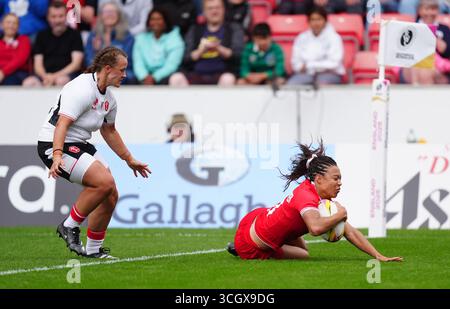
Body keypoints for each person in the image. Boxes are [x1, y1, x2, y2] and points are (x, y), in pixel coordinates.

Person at [37, 46, 151, 259]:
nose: (125, 75)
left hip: (78, 143)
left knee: (110, 194)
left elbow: (109, 130)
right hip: (53, 143)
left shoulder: (109, 98)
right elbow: (62, 124)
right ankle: (69, 226)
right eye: (122, 69)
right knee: (104, 182)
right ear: (107, 69)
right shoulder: (81, 89)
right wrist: (58, 155)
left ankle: (93, 250)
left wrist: (129, 159)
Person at [227, 141, 403, 262]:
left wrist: (378, 255)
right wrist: (340, 214)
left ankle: (263, 241)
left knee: (303, 250)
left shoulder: (317, 194)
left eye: (340, 178)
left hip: (260, 221)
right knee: (303, 255)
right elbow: (316, 229)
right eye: (336, 178)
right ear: (318, 179)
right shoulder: (307, 196)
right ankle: (239, 248)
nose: (340, 182)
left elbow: (350, 232)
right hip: (253, 245)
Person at [169, 0, 244, 86]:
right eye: (210, 8)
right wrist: (201, 50)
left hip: (222, 73)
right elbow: (185, 57)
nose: (214, 11)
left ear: (224, 9)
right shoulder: (194, 30)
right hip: (196, 74)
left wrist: (218, 48)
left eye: (217, 8)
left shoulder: (234, 28)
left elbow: (238, 54)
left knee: (228, 78)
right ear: (204, 12)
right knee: (176, 78)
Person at [22, 1, 84, 87]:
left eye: (60, 16)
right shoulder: (41, 35)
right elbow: (37, 65)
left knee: (60, 81)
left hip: (68, 76)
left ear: (66, 16)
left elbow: (76, 64)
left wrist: (54, 77)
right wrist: (46, 77)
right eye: (53, 16)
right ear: (48, 17)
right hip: (44, 76)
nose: (57, 20)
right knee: (29, 82)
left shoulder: (75, 35)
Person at [288, 6, 344, 86]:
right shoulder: (301, 38)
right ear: (308, 21)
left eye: (319, 19)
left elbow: (334, 63)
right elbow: (296, 62)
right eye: (313, 20)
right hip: (306, 74)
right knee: (291, 84)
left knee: (321, 85)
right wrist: (301, 67)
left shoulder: (334, 38)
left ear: (325, 21)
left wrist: (309, 65)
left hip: (330, 74)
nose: (316, 23)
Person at [85, 1, 136, 84]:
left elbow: (128, 61)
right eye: (106, 12)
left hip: (122, 74)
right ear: (101, 16)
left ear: (119, 15)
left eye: (112, 12)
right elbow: (89, 61)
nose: (109, 15)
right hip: (99, 74)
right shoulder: (94, 35)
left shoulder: (127, 36)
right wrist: (96, 52)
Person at [401, 0, 450, 85]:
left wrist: (430, 34)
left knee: (426, 69)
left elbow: (447, 52)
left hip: (437, 68)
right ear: (419, 11)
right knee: (419, 65)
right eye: (426, 9)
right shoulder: (411, 28)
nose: (430, 12)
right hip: (412, 67)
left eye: (433, 9)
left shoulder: (444, 29)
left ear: (438, 11)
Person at [133, 8, 185, 85]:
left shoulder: (175, 39)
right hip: (145, 77)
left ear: (165, 21)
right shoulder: (141, 38)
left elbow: (172, 64)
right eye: (152, 19)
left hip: (166, 76)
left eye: (159, 19)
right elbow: (138, 62)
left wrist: (155, 77)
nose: (155, 22)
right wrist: (144, 76)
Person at [237, 22, 285, 86]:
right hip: (252, 79)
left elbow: (279, 70)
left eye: (265, 38)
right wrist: (248, 76)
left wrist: (263, 76)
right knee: (241, 82)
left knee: (279, 81)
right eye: (259, 39)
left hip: (270, 78)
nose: (263, 42)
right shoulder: (248, 49)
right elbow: (243, 70)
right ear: (254, 38)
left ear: (270, 37)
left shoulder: (276, 49)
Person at [0, 13, 31, 85]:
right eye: (8, 22)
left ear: (18, 26)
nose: (11, 26)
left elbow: (20, 59)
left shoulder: (24, 40)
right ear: (2, 24)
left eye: (14, 23)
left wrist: (3, 72)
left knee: (9, 82)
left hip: (18, 73)